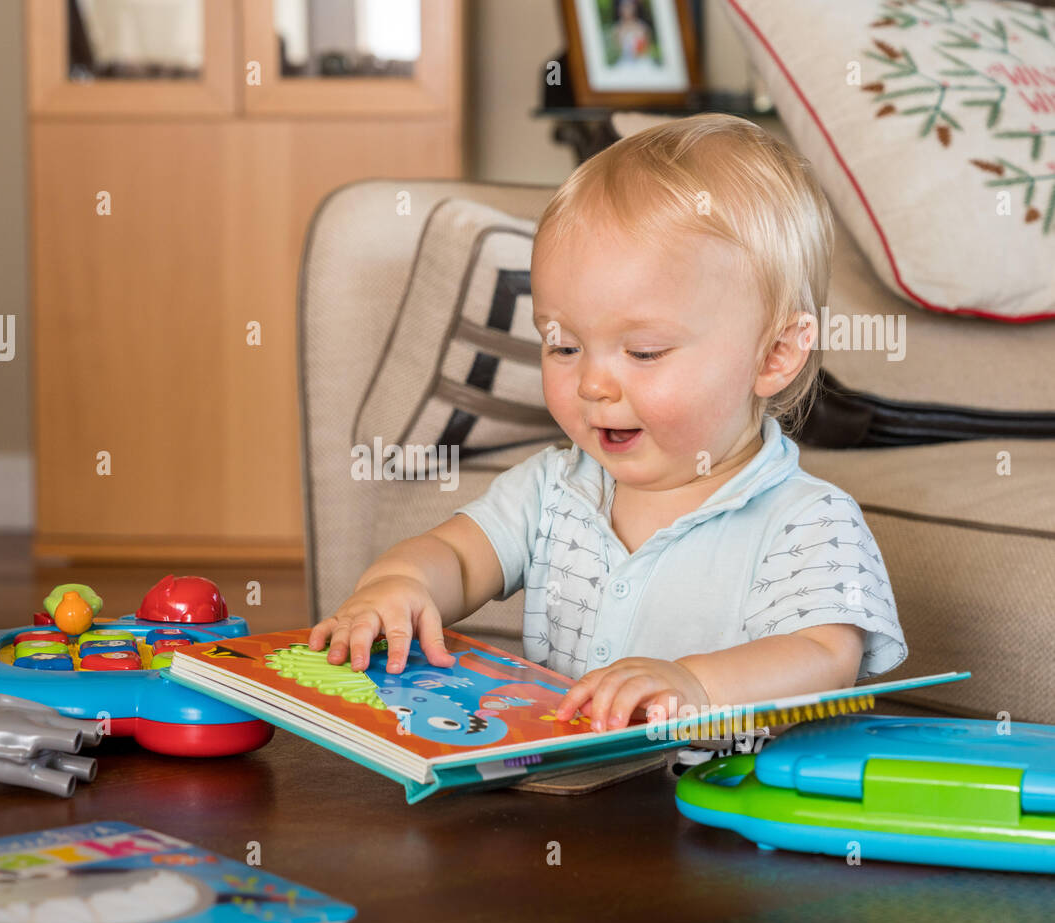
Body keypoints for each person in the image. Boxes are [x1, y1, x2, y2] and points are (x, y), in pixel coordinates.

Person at [309, 114, 907, 732]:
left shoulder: (810, 520)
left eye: (644, 353)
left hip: (718, 812)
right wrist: (399, 584)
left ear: (776, 354)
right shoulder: (552, 489)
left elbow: (824, 655)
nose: (592, 384)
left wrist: (693, 684)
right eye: (563, 347)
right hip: (570, 806)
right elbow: (456, 559)